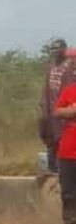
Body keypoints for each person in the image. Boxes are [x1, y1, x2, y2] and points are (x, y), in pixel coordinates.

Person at [40, 39, 76, 172]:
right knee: (50, 138)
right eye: (52, 49)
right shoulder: (51, 66)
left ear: (64, 50)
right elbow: (46, 87)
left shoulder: (70, 66)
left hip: (65, 108)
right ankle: (51, 168)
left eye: (57, 49)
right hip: (51, 107)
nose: (54, 52)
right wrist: (43, 105)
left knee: (62, 137)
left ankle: (61, 168)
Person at [52, 81, 76, 224]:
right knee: (68, 192)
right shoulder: (70, 90)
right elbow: (57, 111)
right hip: (68, 152)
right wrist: (72, 110)